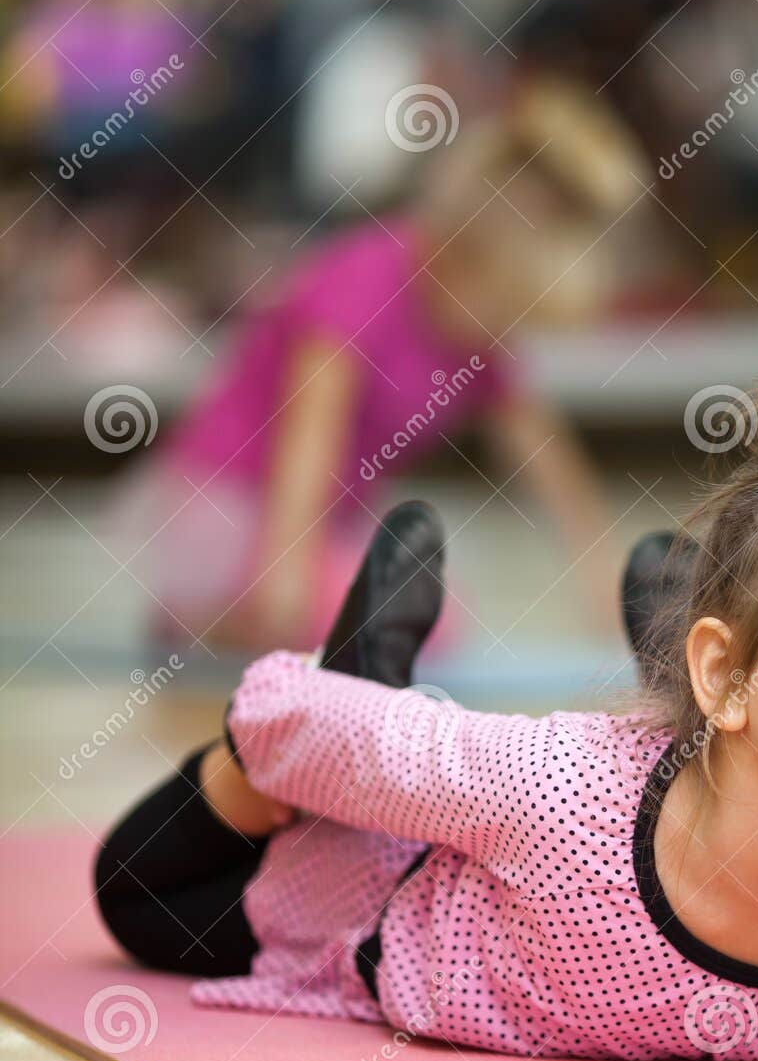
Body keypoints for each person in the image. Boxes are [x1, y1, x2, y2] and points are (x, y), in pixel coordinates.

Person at [93, 338, 758, 1061]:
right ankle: (366, 682)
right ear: (726, 680)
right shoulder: (557, 794)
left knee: (713, 759)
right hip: (398, 895)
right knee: (132, 894)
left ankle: (670, 654)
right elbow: (284, 721)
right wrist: (308, 739)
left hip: (674, 765)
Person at [109, 75, 646, 656]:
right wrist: (284, 570)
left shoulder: (476, 323)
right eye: (513, 309)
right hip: (224, 506)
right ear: (473, 257)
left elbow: (543, 452)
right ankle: (210, 623)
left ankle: (234, 626)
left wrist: (604, 571)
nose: (507, 334)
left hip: (323, 523)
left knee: (433, 613)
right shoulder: (365, 280)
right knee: (392, 617)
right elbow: (307, 435)